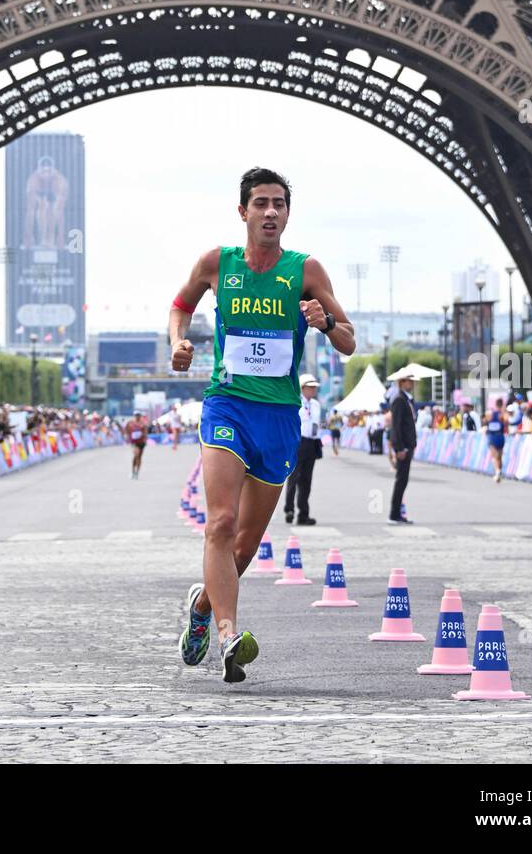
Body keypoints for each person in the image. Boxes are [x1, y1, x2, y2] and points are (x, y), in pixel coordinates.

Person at [170, 166, 354, 683]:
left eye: (279, 204)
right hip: (227, 405)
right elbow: (180, 306)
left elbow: (350, 341)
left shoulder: (306, 271)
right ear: (243, 211)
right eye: (261, 203)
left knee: (245, 546)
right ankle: (229, 633)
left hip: (278, 416)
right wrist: (178, 343)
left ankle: (203, 608)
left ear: (287, 214)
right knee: (220, 523)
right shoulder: (216, 263)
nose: (270, 212)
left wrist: (326, 323)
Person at [284, 373, 323, 526]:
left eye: (314, 387)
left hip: (311, 443)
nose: (313, 390)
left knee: (306, 481)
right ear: (302, 388)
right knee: (293, 478)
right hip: (297, 442)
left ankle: (303, 514)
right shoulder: (294, 402)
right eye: (310, 387)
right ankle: (289, 509)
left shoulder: (316, 405)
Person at [386, 375, 417, 524]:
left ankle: (398, 512)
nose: (412, 383)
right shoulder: (399, 399)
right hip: (403, 446)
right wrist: (399, 448)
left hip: (407, 445)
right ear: (402, 382)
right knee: (400, 481)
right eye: (409, 381)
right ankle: (394, 514)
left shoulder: (406, 399)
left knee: (403, 481)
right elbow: (396, 426)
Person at [483, 396, 508, 483]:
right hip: (500, 436)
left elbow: (485, 421)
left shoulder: (489, 413)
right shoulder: (503, 414)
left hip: (493, 436)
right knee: (499, 456)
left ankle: (497, 472)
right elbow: (506, 422)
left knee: (495, 456)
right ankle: (499, 472)